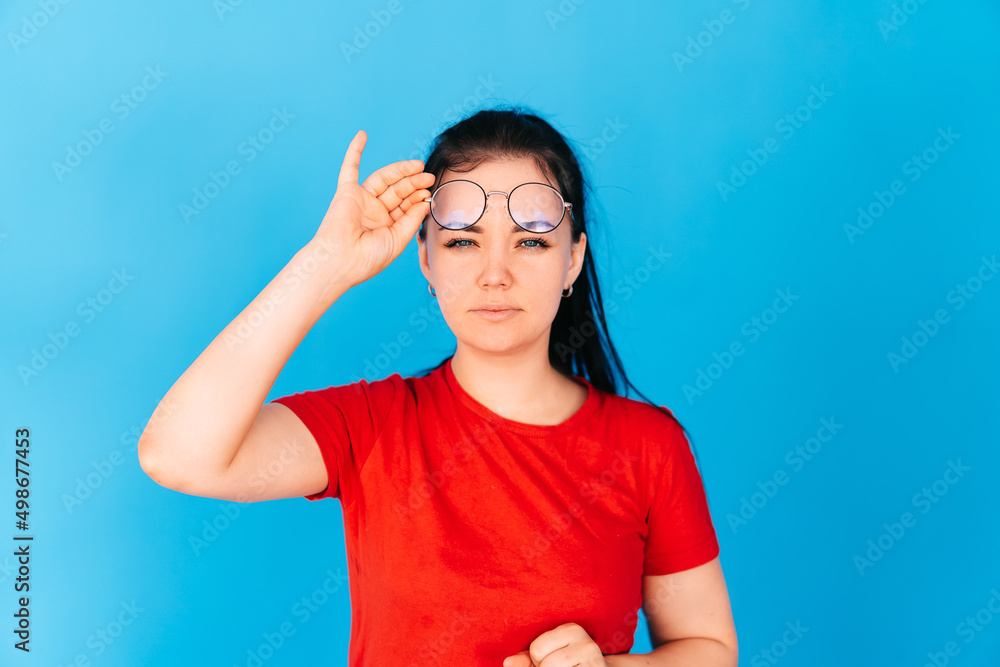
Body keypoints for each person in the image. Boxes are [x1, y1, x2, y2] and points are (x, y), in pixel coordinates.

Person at [138, 106, 738, 667]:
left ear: (573, 260)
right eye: (462, 241)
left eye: (531, 241)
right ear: (425, 260)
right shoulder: (370, 425)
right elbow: (178, 455)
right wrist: (326, 264)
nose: (495, 274)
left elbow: (710, 648)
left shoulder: (649, 447)